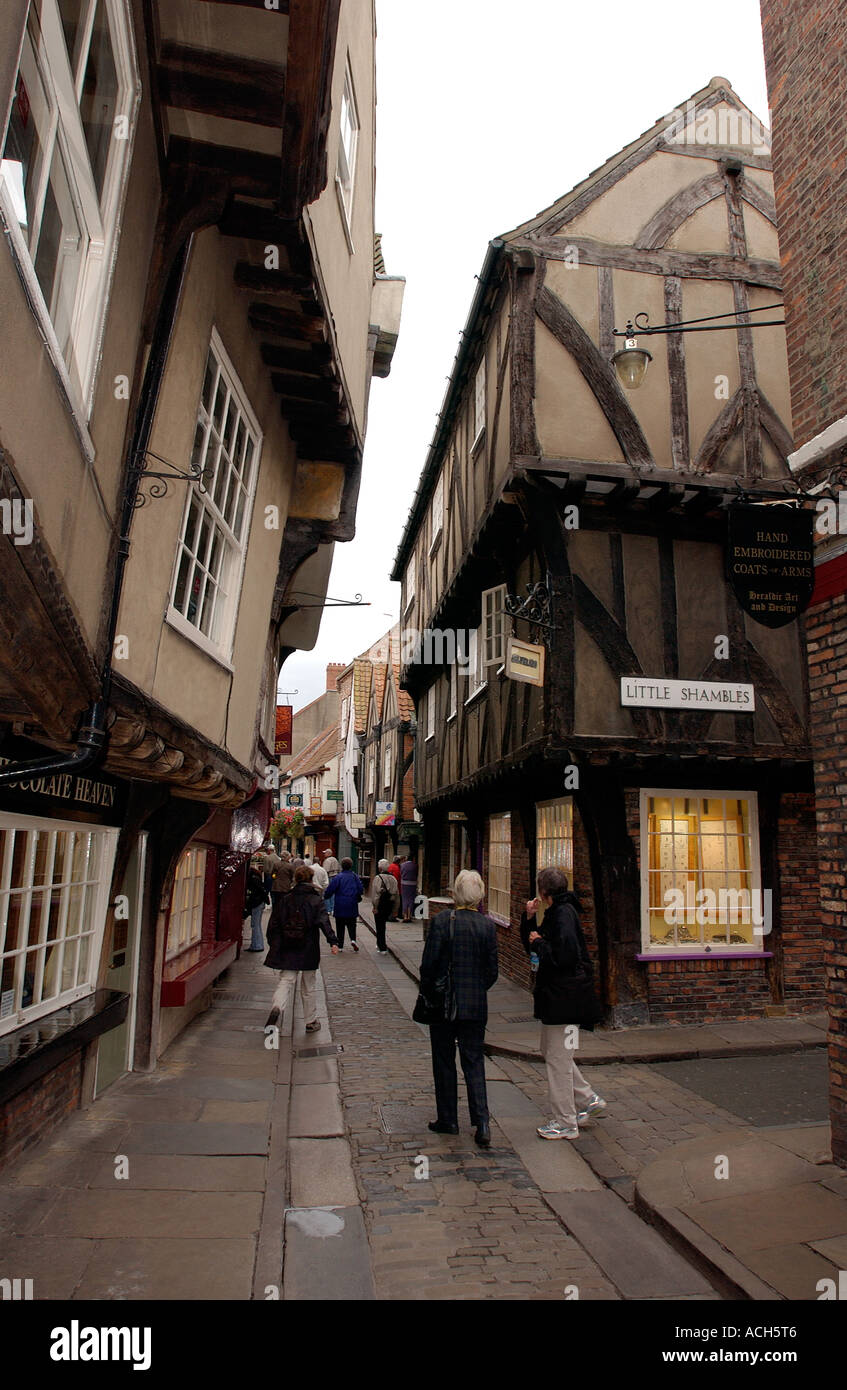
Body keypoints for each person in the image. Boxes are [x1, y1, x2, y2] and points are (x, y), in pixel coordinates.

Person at [519, 866, 606, 1140]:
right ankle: (587, 1099)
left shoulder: (563, 915)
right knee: (553, 1050)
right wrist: (529, 920)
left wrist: (540, 943)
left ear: (543, 891)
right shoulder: (558, 912)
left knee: (557, 1057)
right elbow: (534, 945)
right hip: (560, 998)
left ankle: (565, 1122)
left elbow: (563, 956)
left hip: (564, 998)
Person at [420, 870, 498, 1147]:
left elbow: (429, 965)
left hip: (444, 1005)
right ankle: (482, 1122)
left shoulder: (442, 921)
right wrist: (475, 989)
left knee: (444, 1061)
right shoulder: (488, 926)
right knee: (474, 1061)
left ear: (455, 893)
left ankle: (448, 1119)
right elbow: (492, 972)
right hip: (475, 1005)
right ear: (479, 896)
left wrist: (430, 991)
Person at [264, 865, 339, 1032]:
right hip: (308, 946)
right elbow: (323, 922)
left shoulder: (286, 899)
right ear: (311, 879)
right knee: (308, 986)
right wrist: (333, 941)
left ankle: (277, 1007)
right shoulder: (315, 900)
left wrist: (274, 943)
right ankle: (310, 1021)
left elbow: (273, 924)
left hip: (288, 945)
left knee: (286, 980)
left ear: (296, 879)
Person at [324, 857, 364, 951]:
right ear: (351, 866)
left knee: (340, 925)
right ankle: (353, 939)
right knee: (352, 924)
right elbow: (360, 889)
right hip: (352, 904)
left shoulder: (338, 877)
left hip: (340, 904)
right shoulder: (355, 876)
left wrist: (326, 896)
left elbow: (331, 889)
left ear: (342, 866)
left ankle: (340, 945)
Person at [371, 859, 400, 953]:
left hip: (380, 904)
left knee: (379, 925)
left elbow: (376, 895)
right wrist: (395, 909)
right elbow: (397, 895)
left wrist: (375, 907)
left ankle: (382, 946)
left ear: (380, 868)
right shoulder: (393, 879)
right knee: (383, 924)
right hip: (390, 904)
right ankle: (380, 943)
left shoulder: (378, 878)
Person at [244, 858, 270, 952]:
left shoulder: (252, 877)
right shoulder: (255, 875)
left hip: (257, 903)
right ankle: (256, 944)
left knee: (255, 924)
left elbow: (255, 892)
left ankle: (257, 945)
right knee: (255, 924)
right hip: (259, 902)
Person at [400, 853, 418, 922]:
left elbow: (401, 873)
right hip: (413, 884)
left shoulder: (402, 865)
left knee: (405, 899)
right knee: (411, 899)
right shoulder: (415, 865)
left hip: (404, 883)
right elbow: (416, 874)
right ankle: (409, 915)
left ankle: (405, 916)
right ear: (413, 858)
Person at [323, 852, 340, 918]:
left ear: (328, 854)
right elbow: (339, 869)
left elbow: (325, 870)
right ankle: (333, 908)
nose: (324, 854)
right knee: (334, 893)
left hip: (329, 876)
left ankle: (328, 909)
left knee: (327, 892)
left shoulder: (327, 860)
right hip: (335, 876)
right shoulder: (335, 859)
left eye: (325, 853)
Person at [387, 856, 402, 921]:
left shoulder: (390, 866)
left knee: (390, 903)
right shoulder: (397, 868)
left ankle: (389, 916)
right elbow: (397, 879)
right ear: (398, 861)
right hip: (395, 888)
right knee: (395, 903)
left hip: (388, 887)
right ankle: (392, 917)